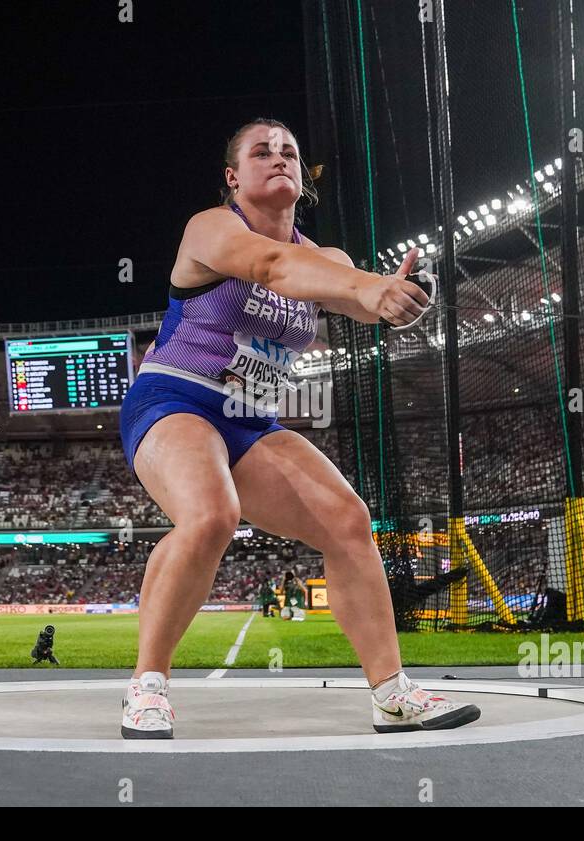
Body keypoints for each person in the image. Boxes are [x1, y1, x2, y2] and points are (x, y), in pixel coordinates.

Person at [116, 118, 479, 739]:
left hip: (251, 418)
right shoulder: (210, 228)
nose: (278, 157)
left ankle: (392, 695)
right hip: (175, 399)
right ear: (233, 177)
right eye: (261, 151)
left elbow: (358, 298)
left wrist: (399, 297)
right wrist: (368, 286)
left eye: (288, 150)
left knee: (348, 521)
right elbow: (272, 266)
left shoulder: (328, 259)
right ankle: (148, 686)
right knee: (210, 515)